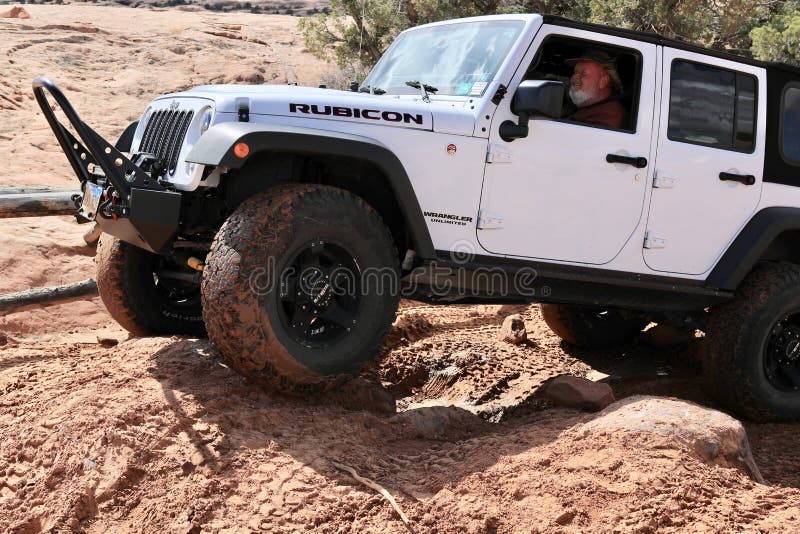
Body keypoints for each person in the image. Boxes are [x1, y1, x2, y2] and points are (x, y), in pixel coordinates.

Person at [563, 51, 626, 129]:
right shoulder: (580, 106)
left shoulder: (609, 116)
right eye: (575, 72)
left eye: (584, 73)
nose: (574, 77)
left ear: (603, 82)